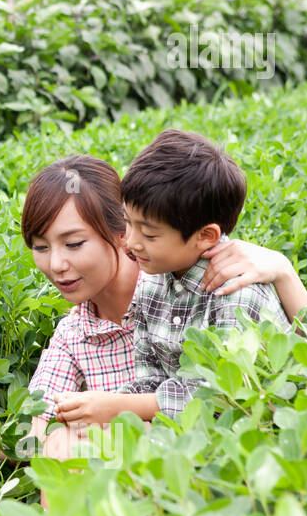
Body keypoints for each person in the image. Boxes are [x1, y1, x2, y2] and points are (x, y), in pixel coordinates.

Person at [0, 152, 307, 460]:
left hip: (221, 463)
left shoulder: (200, 279)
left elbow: (299, 365)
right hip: (136, 483)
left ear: (121, 230)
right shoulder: (75, 334)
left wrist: (285, 271)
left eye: (74, 243)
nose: (56, 265)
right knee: (65, 443)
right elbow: (36, 435)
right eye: (40, 247)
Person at [112, 128, 289, 419]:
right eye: (127, 222)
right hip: (178, 425)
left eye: (149, 234)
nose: (131, 242)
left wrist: (115, 409)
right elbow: (148, 379)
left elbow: (222, 399)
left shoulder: (237, 292)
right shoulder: (151, 280)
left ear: (205, 236)